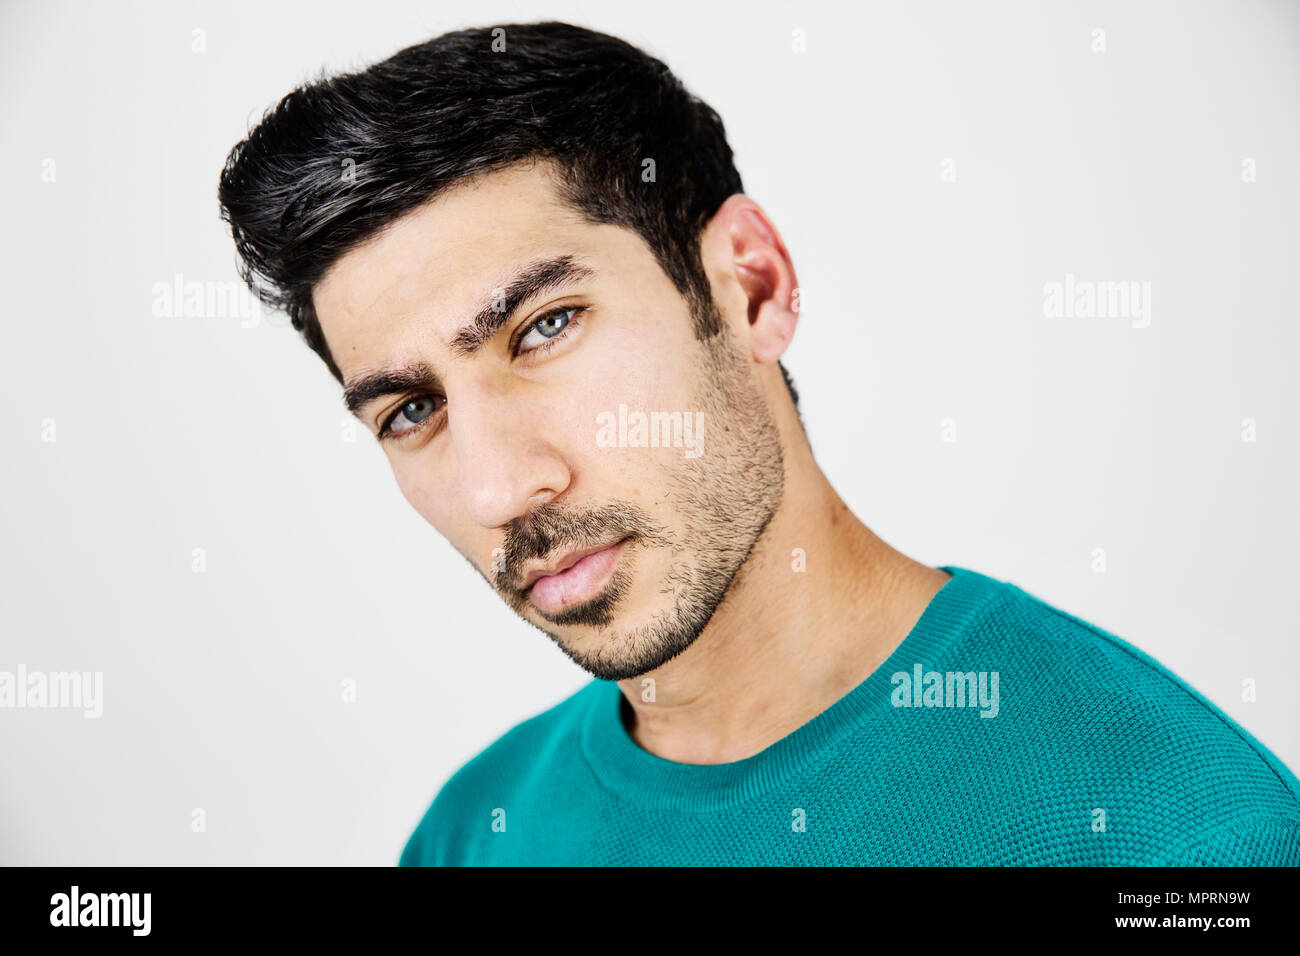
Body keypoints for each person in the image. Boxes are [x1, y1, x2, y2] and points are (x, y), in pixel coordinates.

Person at [218, 21, 1300, 865]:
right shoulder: (473, 832)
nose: (501, 484)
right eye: (411, 410)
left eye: (544, 327)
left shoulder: (1172, 830)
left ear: (750, 285)